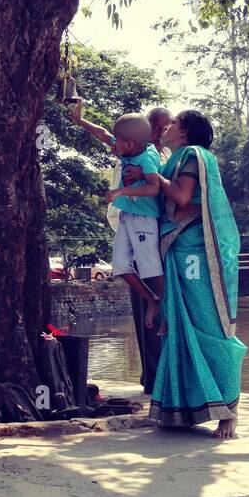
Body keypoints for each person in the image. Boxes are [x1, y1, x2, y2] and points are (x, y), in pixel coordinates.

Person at [125, 109, 246, 438]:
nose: (166, 127)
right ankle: (183, 409)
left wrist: (156, 180)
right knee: (178, 328)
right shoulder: (174, 157)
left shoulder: (193, 154)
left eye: (174, 123)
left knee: (209, 328)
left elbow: (180, 195)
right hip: (177, 252)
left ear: (185, 131)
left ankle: (229, 411)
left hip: (194, 252)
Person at [70, 102, 166, 329]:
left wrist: (122, 191)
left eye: (118, 141)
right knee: (121, 265)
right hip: (127, 216)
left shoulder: (147, 158)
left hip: (144, 218)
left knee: (151, 268)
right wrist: (80, 121)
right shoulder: (130, 147)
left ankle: (168, 310)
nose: (113, 144)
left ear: (130, 144)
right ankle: (151, 300)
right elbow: (103, 134)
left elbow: (154, 187)